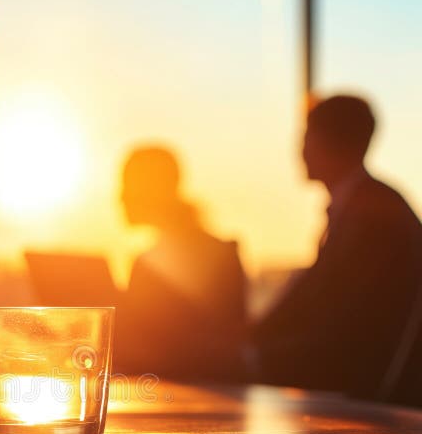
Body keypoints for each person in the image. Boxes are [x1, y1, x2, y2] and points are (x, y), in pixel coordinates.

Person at [253, 95, 422, 398]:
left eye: (306, 136)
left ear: (326, 141)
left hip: (363, 401)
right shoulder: (370, 204)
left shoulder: (374, 215)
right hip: (354, 389)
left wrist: (253, 357)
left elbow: (347, 331)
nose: (300, 150)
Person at [117, 146, 247, 379]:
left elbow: (180, 347)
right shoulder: (221, 252)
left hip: (192, 392)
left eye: (128, 185)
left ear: (155, 190)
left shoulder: (151, 264)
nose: (120, 197)